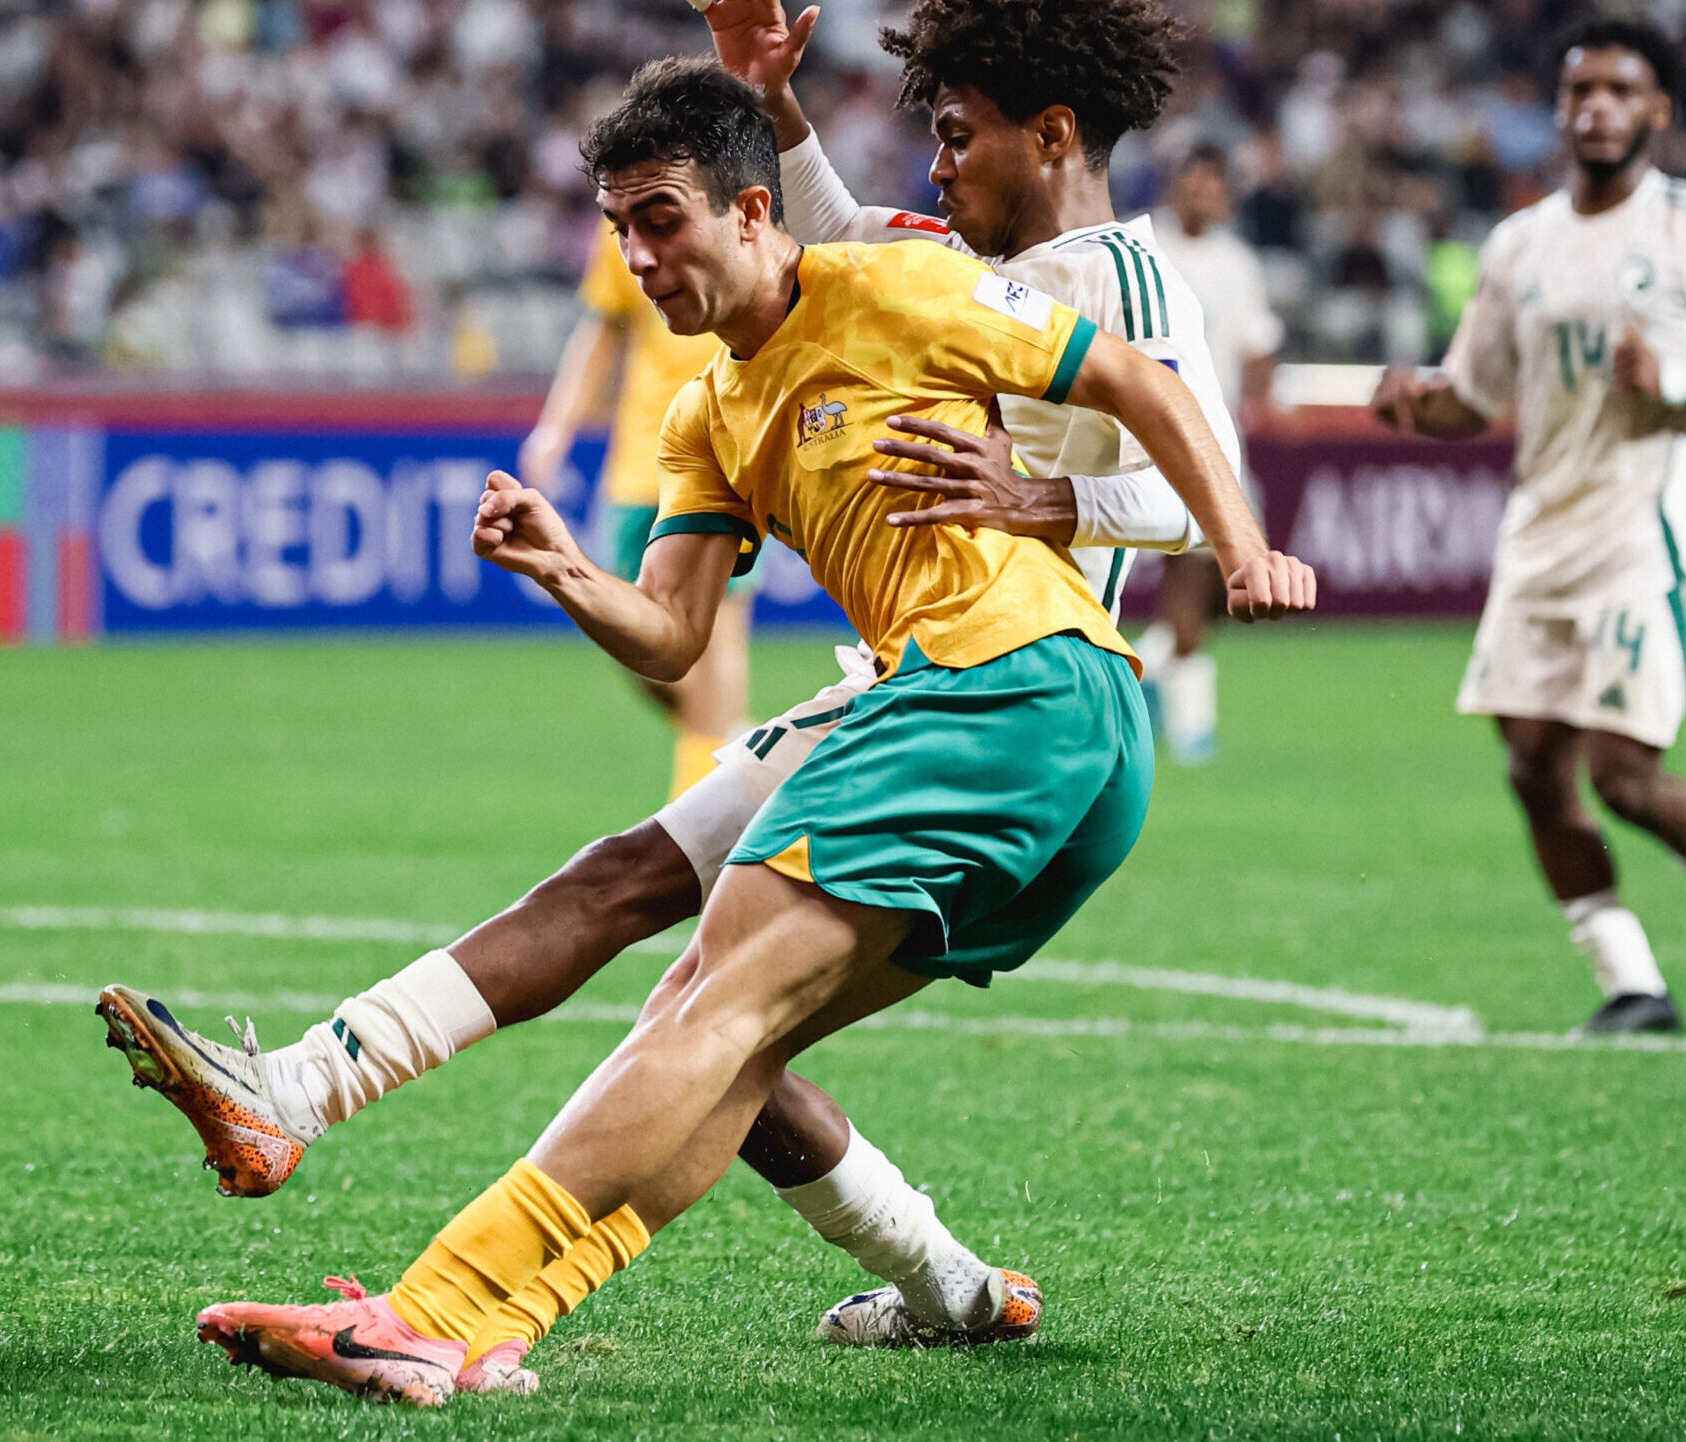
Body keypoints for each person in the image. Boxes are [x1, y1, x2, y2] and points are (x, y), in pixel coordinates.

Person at [95, 0, 1233, 1377]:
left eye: (953, 136)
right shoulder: (776, 363)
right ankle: (911, 1291)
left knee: (708, 1011)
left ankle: (438, 1304)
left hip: (1005, 687)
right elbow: (805, 274)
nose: (933, 169)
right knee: (671, 964)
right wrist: (571, 569)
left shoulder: (1070, 273)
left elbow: (1192, 447)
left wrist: (1055, 495)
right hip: (936, 693)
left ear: (1047, 133)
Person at [1371, 18, 1686, 1036]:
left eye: (1619, 89)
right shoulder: (1518, 244)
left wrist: (1681, 377)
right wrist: (1420, 402)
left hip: (1644, 524)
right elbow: (1475, 394)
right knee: (1528, 767)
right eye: (1579, 91)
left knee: (1620, 772)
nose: (1596, 107)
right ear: (1557, 109)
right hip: (1540, 528)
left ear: (1659, 110)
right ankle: (1629, 981)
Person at [521, 235, 749, 799]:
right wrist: (557, 427)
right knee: (642, 649)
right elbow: (604, 326)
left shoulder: (740, 207)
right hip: (640, 462)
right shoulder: (623, 227)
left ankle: (696, 834)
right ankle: (734, 751)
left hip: (728, 459)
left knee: (713, 647)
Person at [1141, 144, 1287, 762]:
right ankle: (1193, 724)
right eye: (1191, 183)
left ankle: (1142, 669)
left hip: (1225, 441)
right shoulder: (1151, 252)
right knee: (1189, 572)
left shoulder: (1237, 262)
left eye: (1212, 185)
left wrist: (1262, 394)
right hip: (1163, 438)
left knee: (1229, 582)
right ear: (1176, 187)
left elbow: (1258, 343)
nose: (1202, 195)